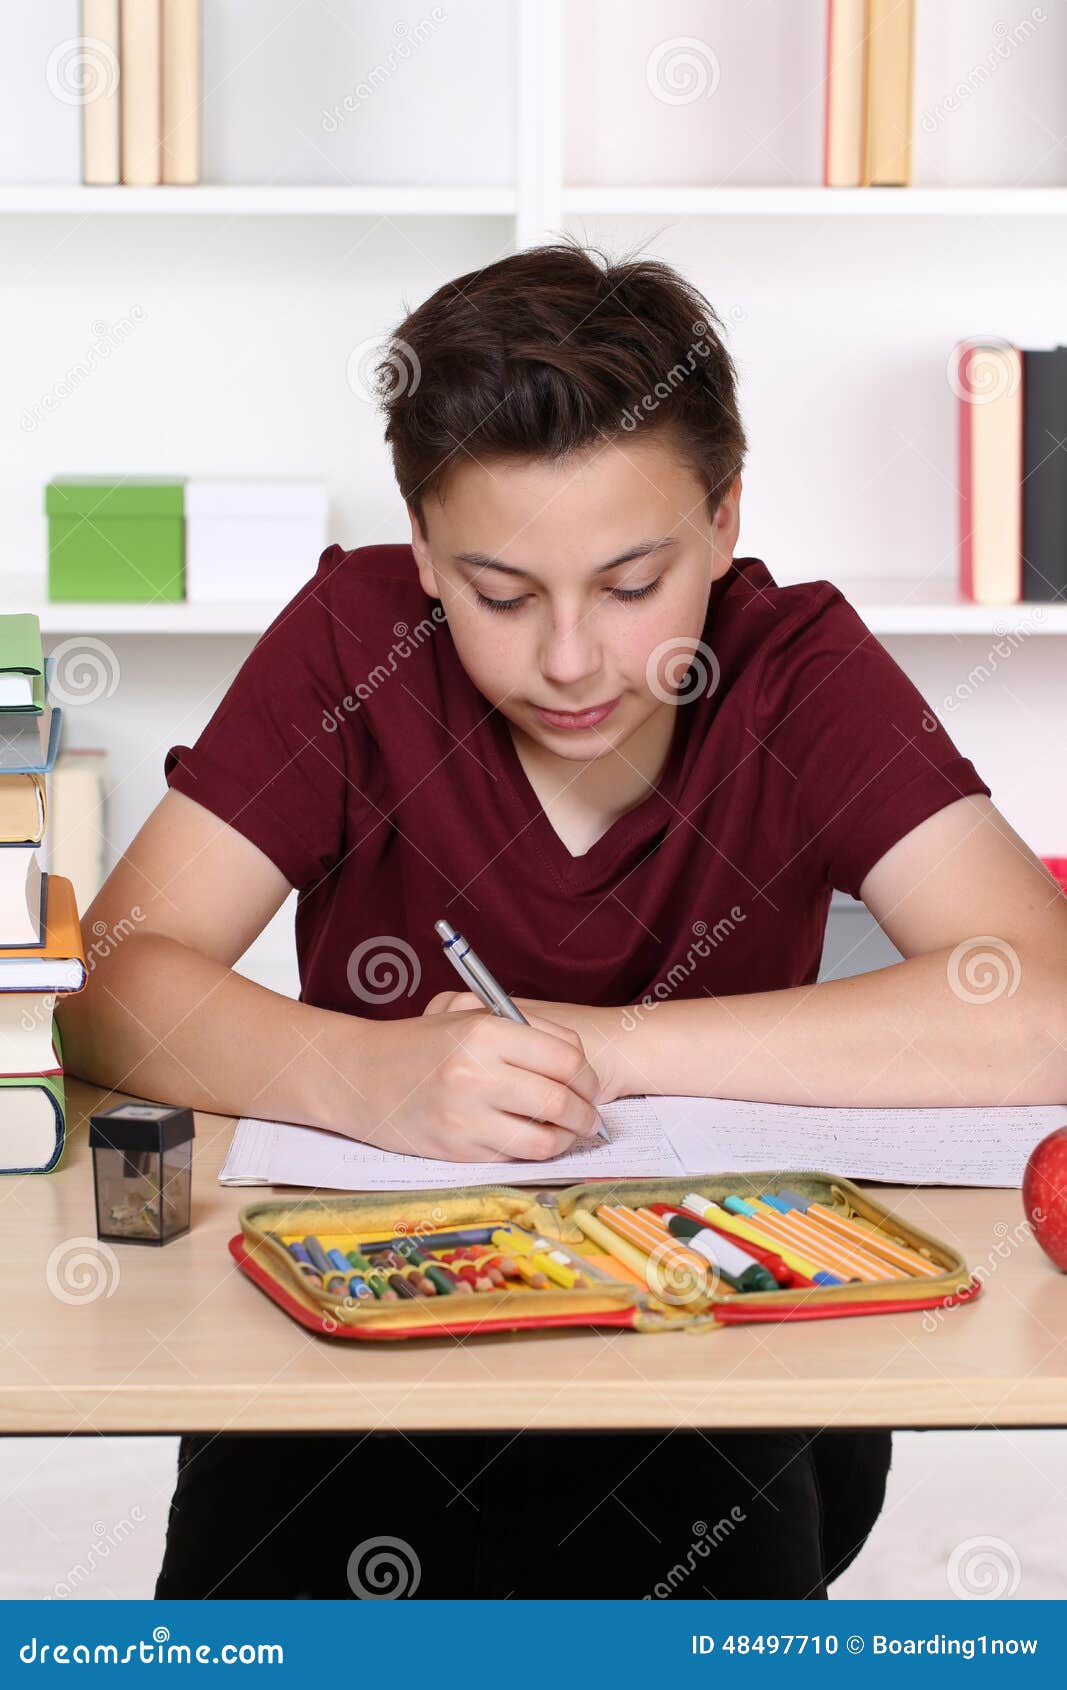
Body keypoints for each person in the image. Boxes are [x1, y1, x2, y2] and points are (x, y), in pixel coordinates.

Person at [58, 241, 1066, 1600]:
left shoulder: (797, 670)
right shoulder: (355, 640)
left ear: (725, 518)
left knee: (714, 1563)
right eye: (502, 595)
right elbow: (107, 986)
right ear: (424, 550)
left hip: (712, 1353)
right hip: (358, 1346)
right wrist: (374, 1076)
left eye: (633, 585)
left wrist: (607, 1048)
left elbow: (1043, 1001)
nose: (572, 659)